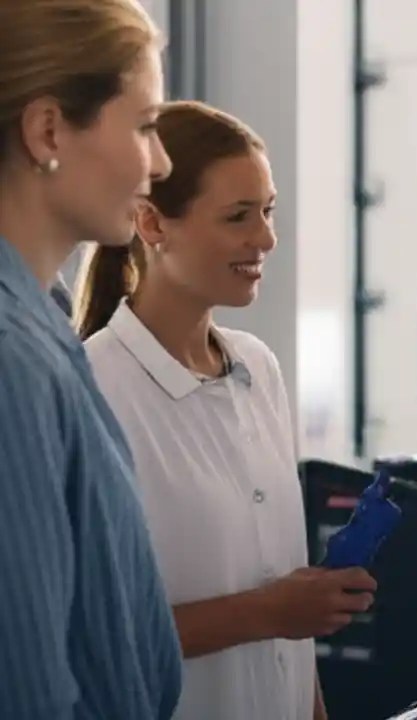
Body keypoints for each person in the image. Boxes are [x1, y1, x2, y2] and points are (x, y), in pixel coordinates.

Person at [74, 100, 377, 720]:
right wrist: (267, 612)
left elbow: (291, 627)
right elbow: (86, 636)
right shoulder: (93, 389)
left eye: (267, 211)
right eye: (238, 216)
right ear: (152, 223)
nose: (265, 238)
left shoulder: (257, 368)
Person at [0, 1, 183, 717]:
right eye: (144, 126)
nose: (161, 161)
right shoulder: (13, 360)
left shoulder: (39, 317)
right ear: (49, 130)